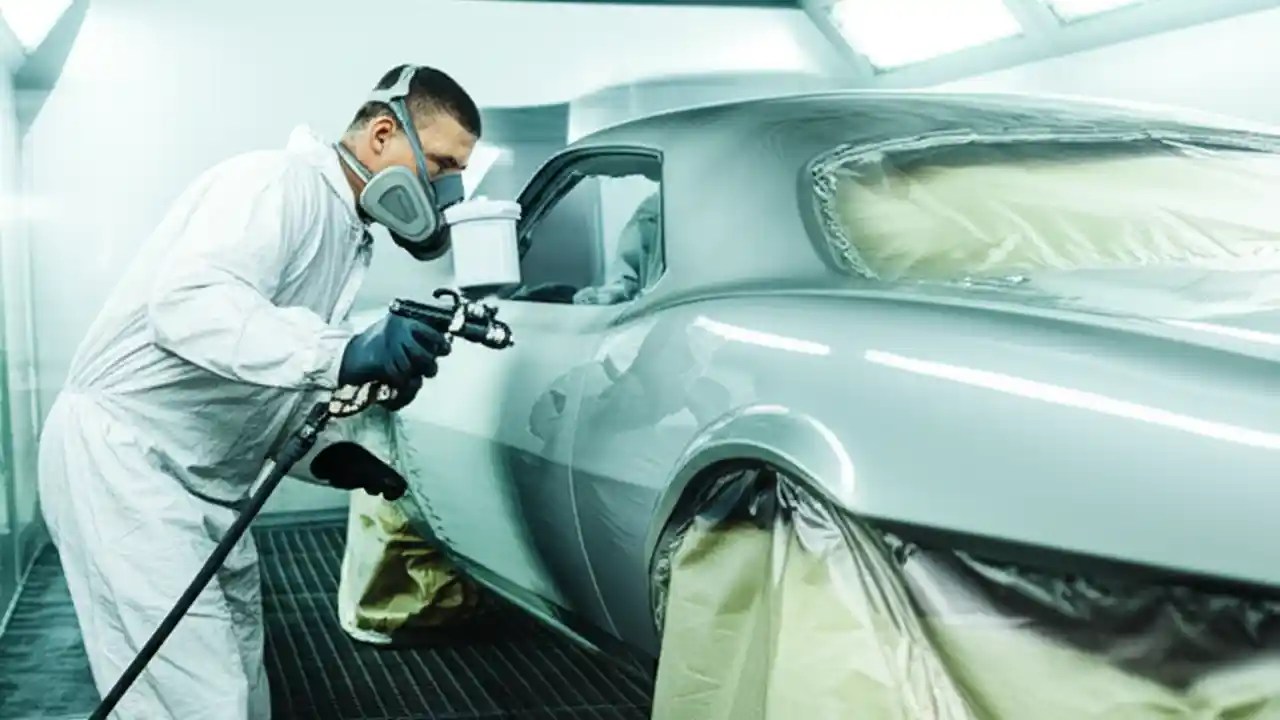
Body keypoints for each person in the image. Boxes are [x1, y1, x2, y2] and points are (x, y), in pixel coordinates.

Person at [36, 64, 481, 720]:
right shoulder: (278, 182)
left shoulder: (345, 231)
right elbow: (189, 306)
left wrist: (328, 451)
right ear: (383, 135)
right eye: (441, 164)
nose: (449, 191)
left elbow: (254, 375)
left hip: (203, 483)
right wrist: (347, 351)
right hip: (127, 463)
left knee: (240, 684)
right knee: (194, 699)